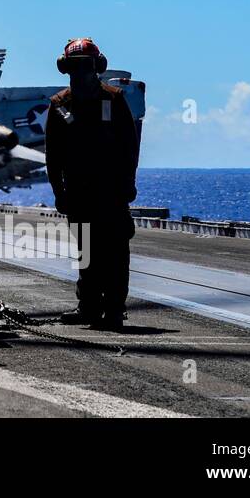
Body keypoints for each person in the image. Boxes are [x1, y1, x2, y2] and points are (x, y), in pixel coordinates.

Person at [44, 38, 140, 330]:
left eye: (85, 66)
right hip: (79, 192)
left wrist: (128, 182)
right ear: (65, 68)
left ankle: (114, 309)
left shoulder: (114, 99)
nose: (80, 73)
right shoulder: (60, 106)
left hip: (112, 191)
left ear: (97, 67)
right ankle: (89, 307)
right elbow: (53, 156)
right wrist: (59, 193)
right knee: (87, 252)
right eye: (75, 67)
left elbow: (129, 146)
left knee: (116, 251)